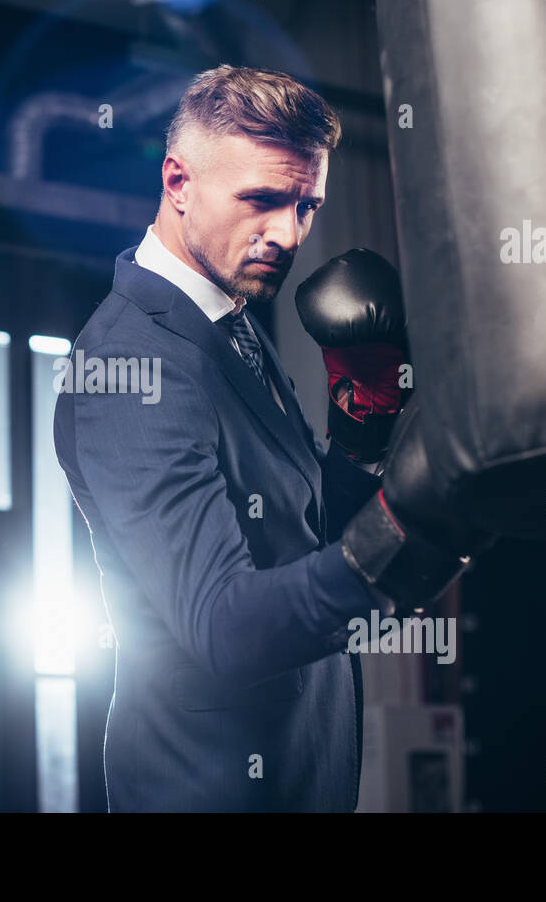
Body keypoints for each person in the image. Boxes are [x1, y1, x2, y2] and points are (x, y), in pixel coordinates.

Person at [52, 64, 482, 811]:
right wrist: (409, 529)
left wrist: (364, 420)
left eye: (306, 205)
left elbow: (304, 534)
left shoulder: (227, 324)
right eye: (261, 200)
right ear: (178, 182)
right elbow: (225, 624)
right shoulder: (128, 366)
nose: (287, 234)